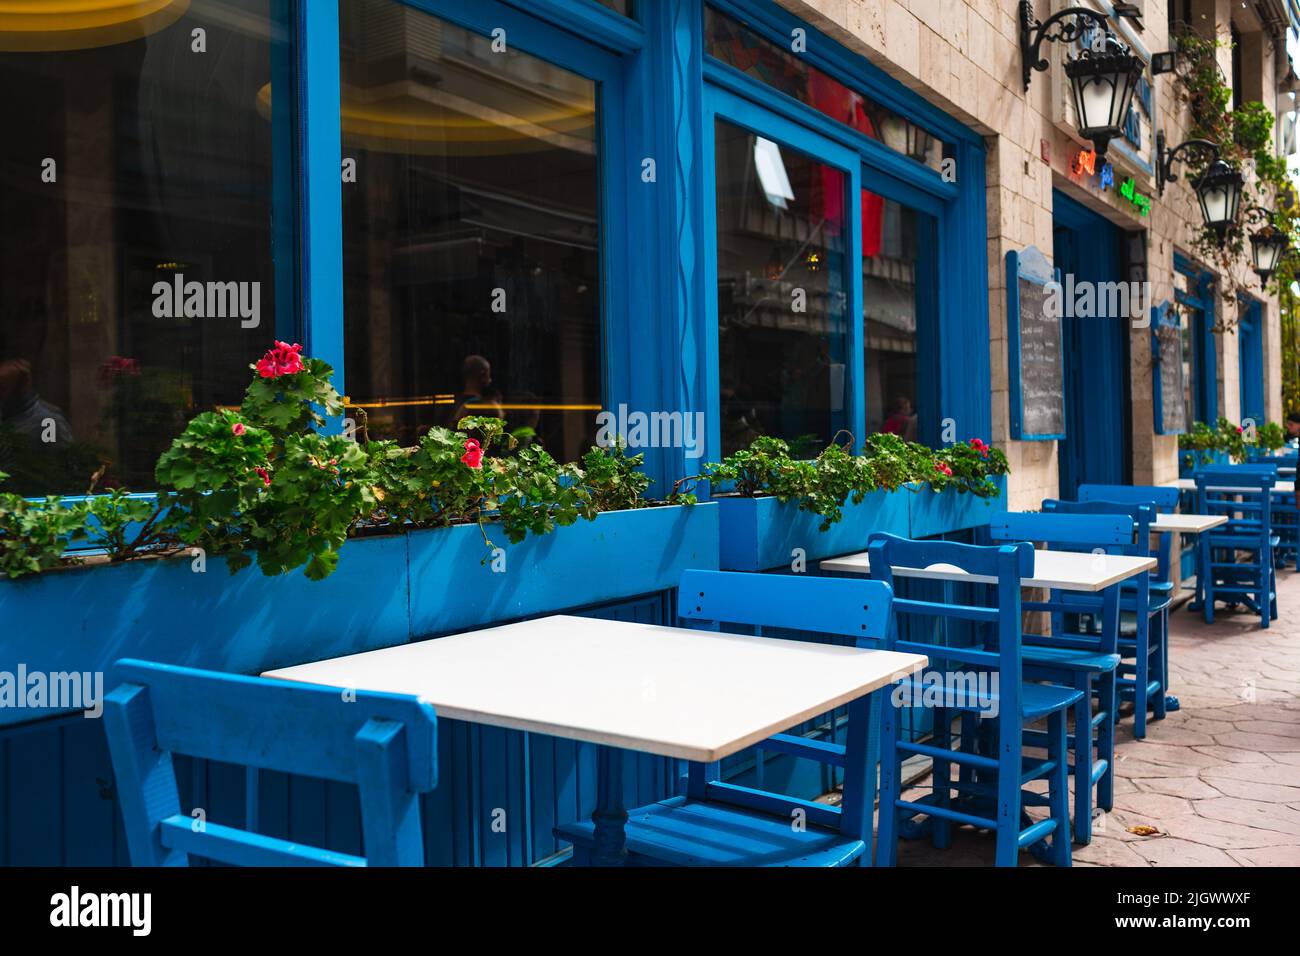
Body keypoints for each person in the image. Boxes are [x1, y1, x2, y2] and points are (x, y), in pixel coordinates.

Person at [0, 358, 73, 445]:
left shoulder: (48, 422)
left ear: (22, 388)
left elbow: (61, 456)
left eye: (3, 389)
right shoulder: (4, 413)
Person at [445, 354, 501, 427]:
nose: (490, 380)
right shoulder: (483, 407)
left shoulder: (452, 403)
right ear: (483, 375)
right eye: (488, 374)